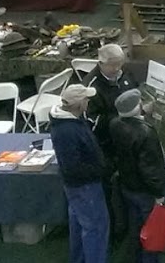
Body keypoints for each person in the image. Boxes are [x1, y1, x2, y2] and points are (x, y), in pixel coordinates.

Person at [49, 85, 109, 263]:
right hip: (85, 187)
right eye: (86, 99)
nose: (88, 101)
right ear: (78, 104)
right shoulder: (67, 131)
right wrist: (100, 169)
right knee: (96, 228)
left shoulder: (69, 121)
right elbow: (73, 168)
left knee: (79, 225)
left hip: (77, 187)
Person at [108, 89, 165, 263]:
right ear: (138, 106)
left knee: (136, 230)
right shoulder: (146, 133)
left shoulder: (115, 124)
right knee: (151, 235)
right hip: (145, 191)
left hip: (127, 186)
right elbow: (149, 169)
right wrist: (159, 194)